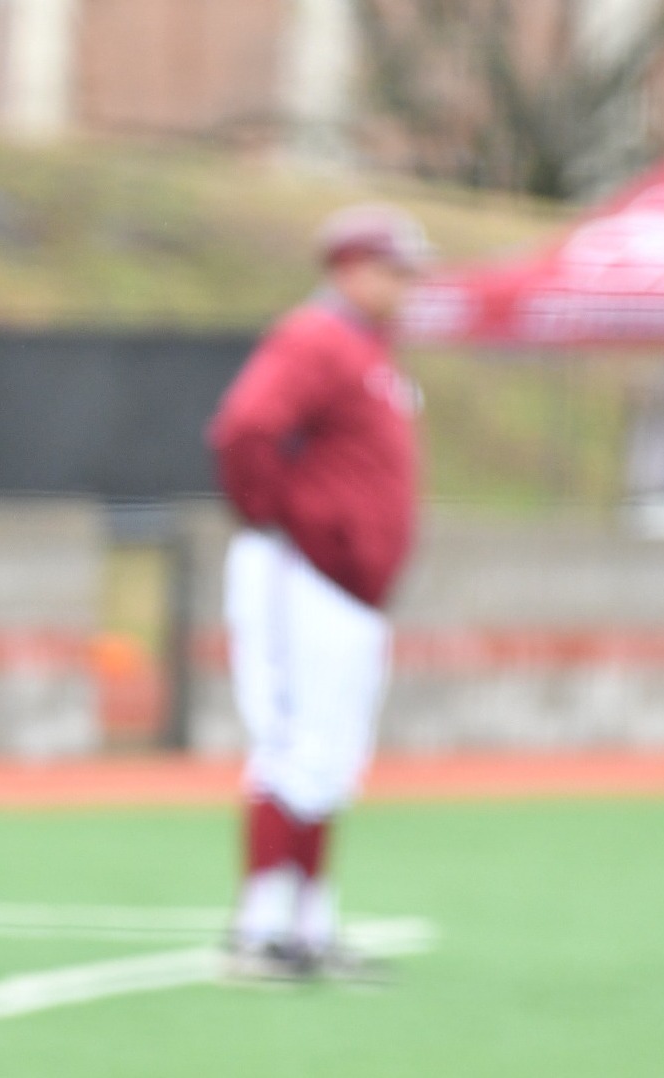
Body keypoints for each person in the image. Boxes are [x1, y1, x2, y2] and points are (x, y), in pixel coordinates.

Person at [207, 204, 427, 981]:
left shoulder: (368, 350)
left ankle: (307, 923)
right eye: (391, 270)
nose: (403, 286)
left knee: (332, 754)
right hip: (301, 571)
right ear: (348, 267)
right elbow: (244, 429)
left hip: (348, 583)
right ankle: (259, 926)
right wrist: (284, 519)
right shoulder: (316, 338)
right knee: (293, 744)